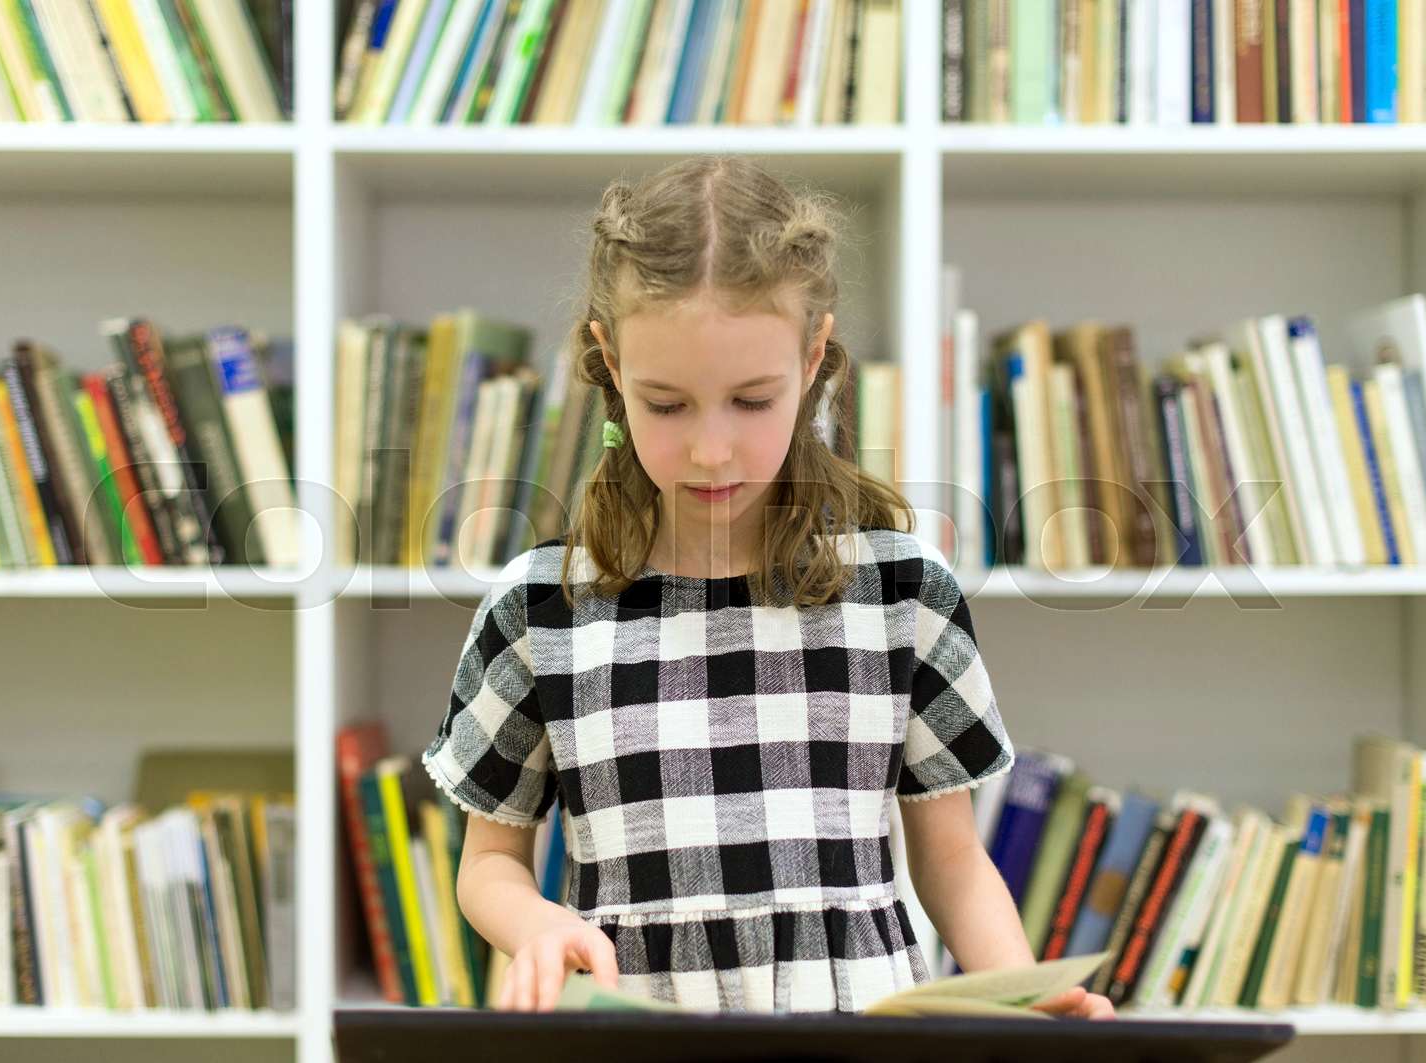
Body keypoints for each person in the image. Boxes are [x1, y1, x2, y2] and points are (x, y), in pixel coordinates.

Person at [422, 155, 1114, 1020]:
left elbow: (952, 859)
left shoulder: (904, 596)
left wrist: (1025, 1008)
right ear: (608, 360)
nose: (712, 449)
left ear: (813, 353)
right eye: (667, 405)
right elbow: (488, 862)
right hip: (643, 1033)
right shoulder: (538, 611)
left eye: (752, 399)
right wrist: (535, 924)